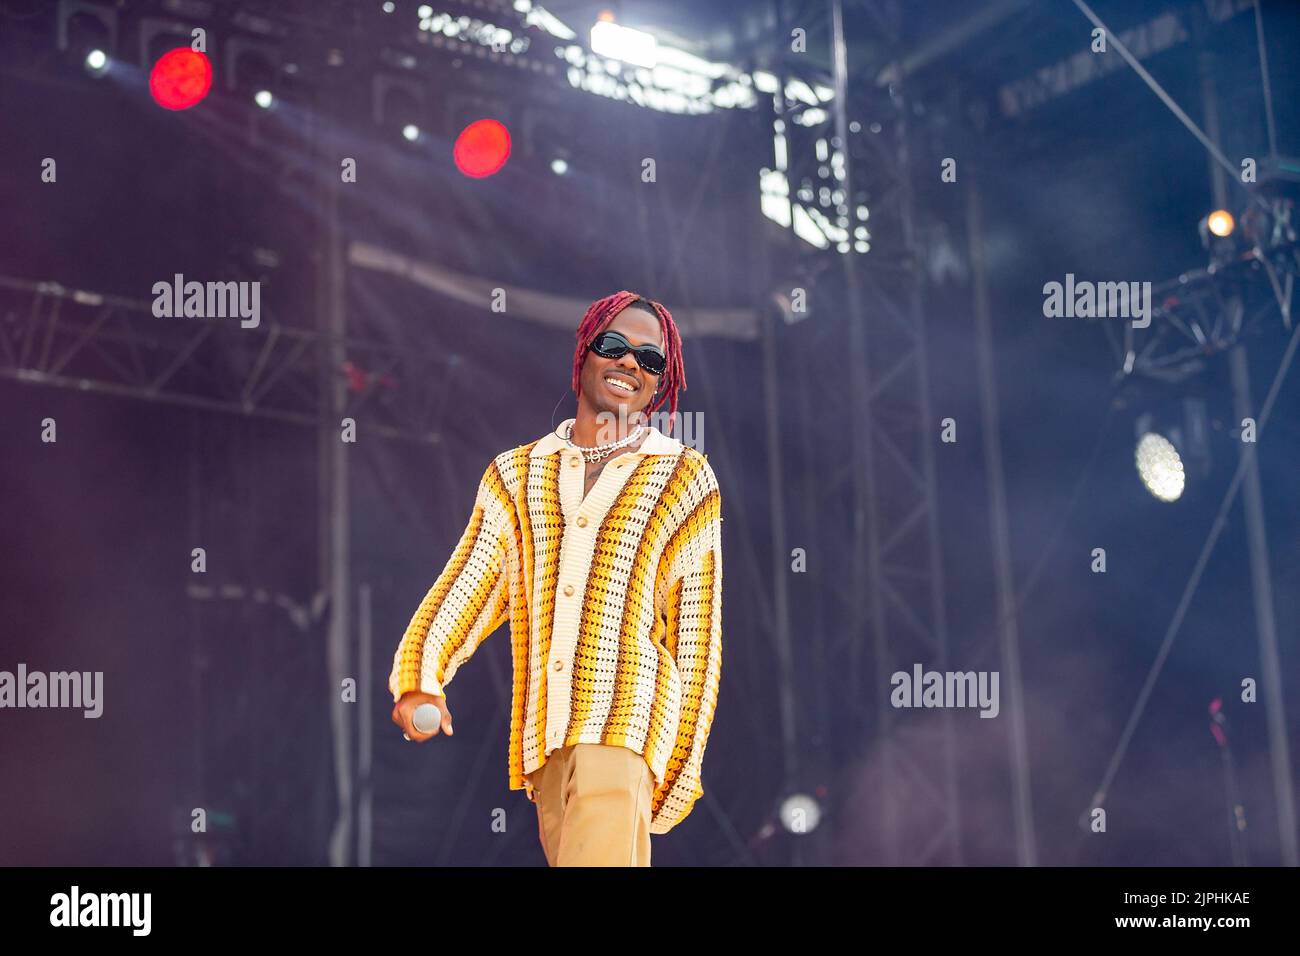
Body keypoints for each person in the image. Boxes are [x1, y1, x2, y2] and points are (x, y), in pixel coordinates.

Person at [389, 291, 723, 866]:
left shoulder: (682, 474)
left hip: (625, 725)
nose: (630, 365)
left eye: (650, 360)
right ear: (585, 351)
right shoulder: (517, 472)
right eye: (615, 346)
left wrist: (679, 767)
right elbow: (471, 582)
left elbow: (696, 635)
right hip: (544, 736)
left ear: (662, 383)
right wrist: (421, 675)